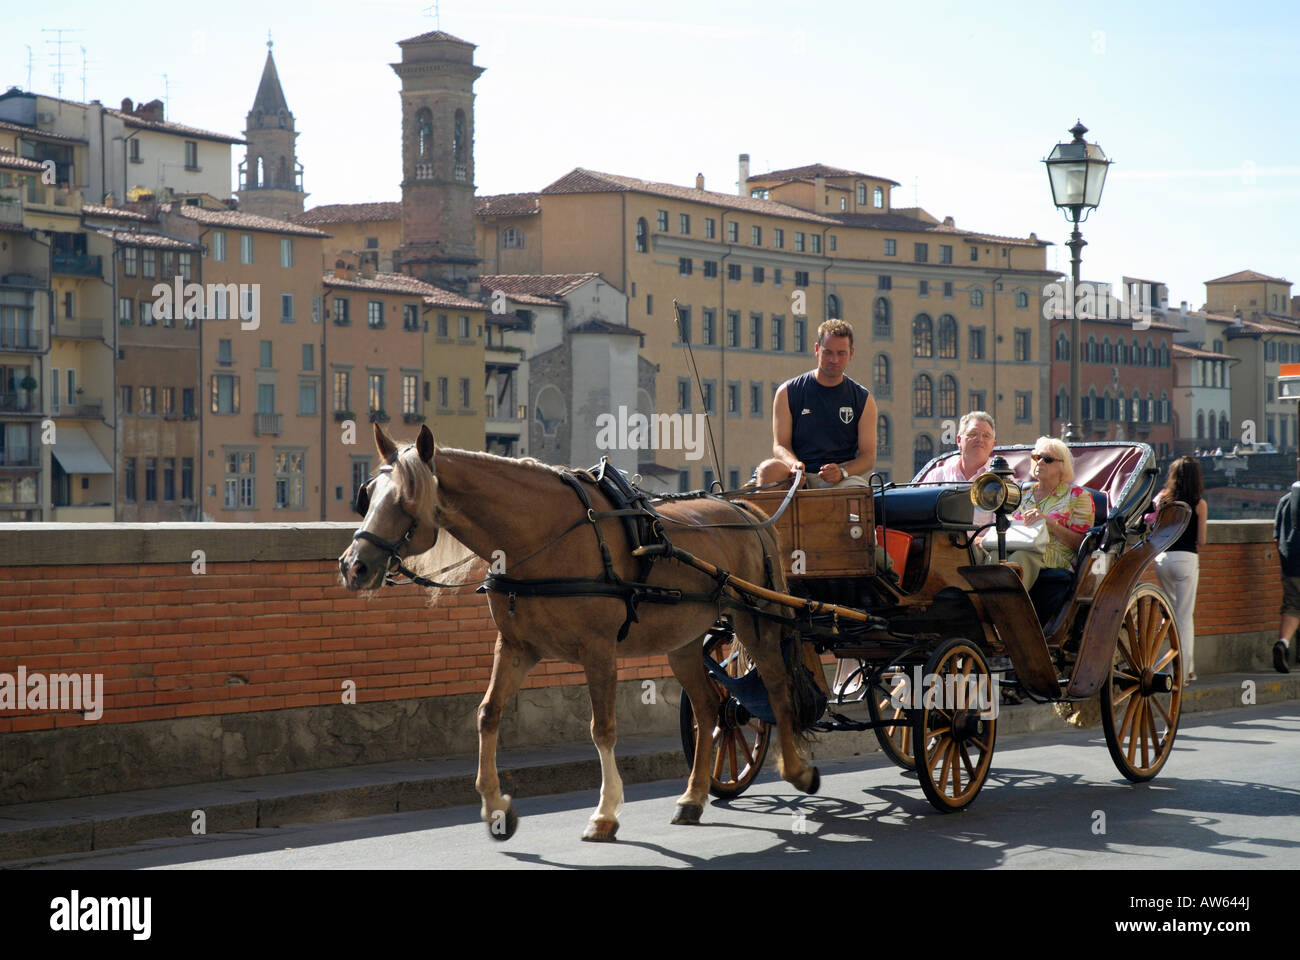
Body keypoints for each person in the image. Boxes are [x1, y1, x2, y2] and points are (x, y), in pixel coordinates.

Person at [757, 318, 877, 489]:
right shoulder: (788, 392)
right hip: (798, 474)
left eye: (841, 353)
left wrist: (842, 472)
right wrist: (794, 464)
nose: (834, 359)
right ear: (816, 350)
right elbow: (781, 445)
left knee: (854, 496)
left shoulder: (864, 400)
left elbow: (868, 458)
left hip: (842, 478)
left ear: (851, 354)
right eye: (828, 352)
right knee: (768, 470)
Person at [1003, 437, 1094, 592]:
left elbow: (1082, 544)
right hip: (1015, 547)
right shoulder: (1021, 494)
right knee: (993, 553)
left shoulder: (1079, 496)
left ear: (1062, 466)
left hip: (1056, 557)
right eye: (1037, 457)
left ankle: (1009, 610)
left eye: (1047, 459)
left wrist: (1049, 523)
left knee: (1020, 557)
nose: (1040, 462)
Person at [1152, 457, 1207, 682]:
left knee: (1172, 615)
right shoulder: (1199, 503)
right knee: (1184, 617)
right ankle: (1181, 673)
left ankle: (1179, 666)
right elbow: (1201, 540)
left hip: (1162, 559)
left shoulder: (1161, 499)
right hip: (1186, 560)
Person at [1272, 481, 1300, 674]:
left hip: (1291, 562)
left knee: (1292, 607)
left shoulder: (1285, 500)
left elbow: (1277, 537)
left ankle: (1283, 643)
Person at [930, 411, 996, 482]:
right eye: (973, 434)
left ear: (993, 445)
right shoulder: (937, 477)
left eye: (986, 436)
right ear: (959, 440)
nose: (979, 439)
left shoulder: (1003, 479)